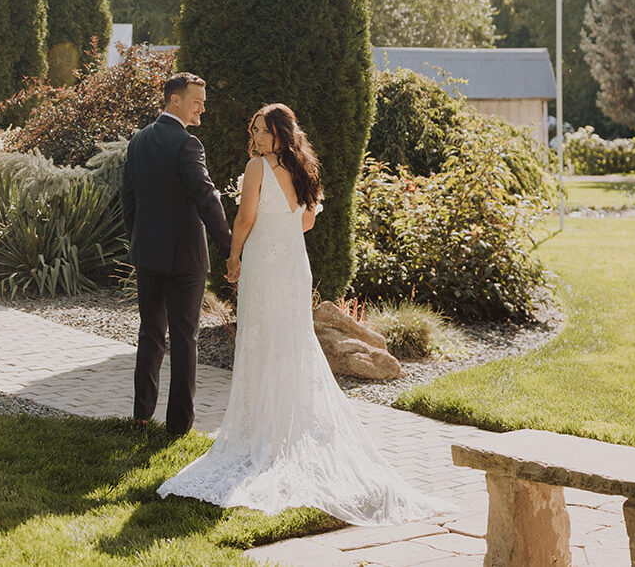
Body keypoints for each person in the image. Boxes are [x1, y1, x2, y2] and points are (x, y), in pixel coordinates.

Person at [157, 103, 451, 525]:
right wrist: (279, 234)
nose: (255, 138)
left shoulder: (257, 168)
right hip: (293, 262)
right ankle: (284, 427)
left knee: (263, 340)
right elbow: (307, 221)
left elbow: (243, 218)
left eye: (262, 131)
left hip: (263, 260)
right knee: (290, 342)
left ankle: (262, 432)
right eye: (254, 130)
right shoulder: (304, 167)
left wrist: (235, 256)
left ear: (279, 133)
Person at [120, 73, 232, 435]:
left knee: (151, 333)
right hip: (185, 259)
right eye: (197, 100)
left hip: (148, 254)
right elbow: (206, 198)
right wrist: (230, 248)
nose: (202, 107)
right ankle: (179, 425)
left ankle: (141, 414)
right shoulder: (188, 144)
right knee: (185, 338)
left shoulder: (137, 141)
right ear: (174, 101)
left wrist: (139, 239)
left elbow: (128, 200)